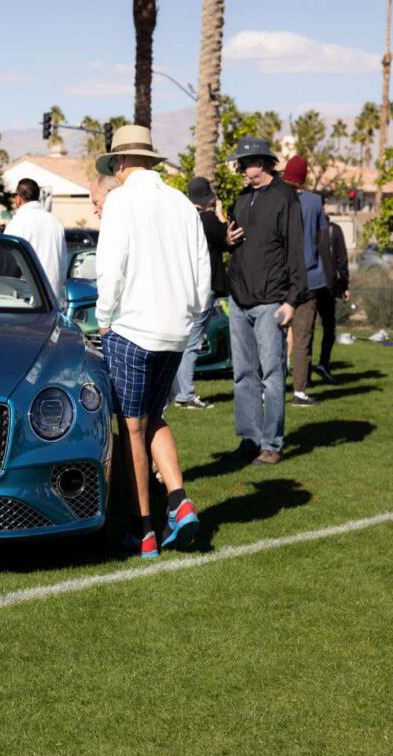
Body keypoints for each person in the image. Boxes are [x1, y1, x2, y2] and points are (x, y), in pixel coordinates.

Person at [94, 124, 211, 558]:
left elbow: (112, 266)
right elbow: (202, 271)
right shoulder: (181, 202)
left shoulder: (122, 201)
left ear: (121, 163)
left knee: (133, 425)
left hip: (132, 327)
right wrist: (192, 311)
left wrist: (104, 318)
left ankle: (144, 529)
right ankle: (178, 501)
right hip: (175, 328)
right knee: (154, 415)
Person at [224, 137, 306, 465]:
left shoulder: (285, 198)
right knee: (243, 373)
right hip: (239, 300)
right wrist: (228, 240)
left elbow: (296, 251)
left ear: (262, 163)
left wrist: (291, 300)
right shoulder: (242, 199)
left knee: (272, 373)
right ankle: (249, 439)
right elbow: (232, 239)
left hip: (272, 300)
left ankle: (271, 444)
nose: (241, 169)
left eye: (244, 164)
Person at [170, 176, 230, 410]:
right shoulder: (206, 219)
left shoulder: (182, 219)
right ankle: (185, 393)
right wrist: (220, 212)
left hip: (186, 285)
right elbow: (227, 239)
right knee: (194, 341)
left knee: (186, 338)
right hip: (205, 284)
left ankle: (179, 390)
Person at [281, 155, 328, 406]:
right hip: (310, 278)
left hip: (282, 278)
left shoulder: (277, 198)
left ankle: (272, 389)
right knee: (303, 337)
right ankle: (300, 391)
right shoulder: (314, 201)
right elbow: (322, 238)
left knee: (275, 337)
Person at [4, 177, 69, 300]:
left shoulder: (17, 223)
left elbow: (8, 262)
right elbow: (63, 262)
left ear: (18, 199)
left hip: (27, 301)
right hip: (53, 298)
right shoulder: (55, 222)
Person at [314, 217, 350, 383]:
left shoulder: (304, 227)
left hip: (308, 286)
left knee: (305, 331)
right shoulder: (333, 230)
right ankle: (323, 363)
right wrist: (344, 285)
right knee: (329, 328)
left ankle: (305, 372)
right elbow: (341, 259)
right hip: (327, 287)